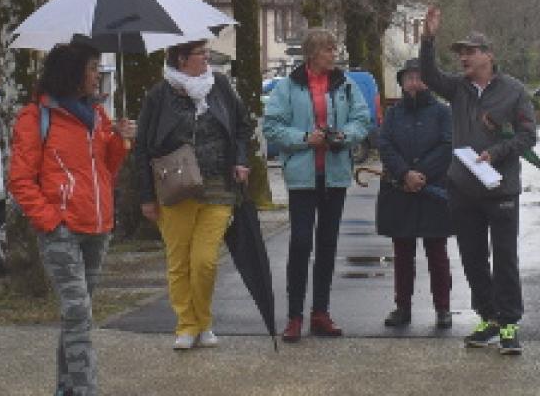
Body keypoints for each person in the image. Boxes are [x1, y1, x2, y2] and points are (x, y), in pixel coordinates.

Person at [7, 42, 136, 396]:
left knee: (76, 314)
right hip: (61, 230)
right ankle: (84, 389)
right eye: (92, 68)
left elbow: (105, 171)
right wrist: (51, 221)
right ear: (73, 73)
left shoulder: (97, 116)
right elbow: (20, 180)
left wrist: (120, 143)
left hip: (97, 227)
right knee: (79, 312)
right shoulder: (36, 117)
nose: (97, 75)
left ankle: (66, 387)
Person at [419, 5, 536, 356]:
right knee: (471, 257)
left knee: (504, 258)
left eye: (469, 52)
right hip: (462, 188)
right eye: (460, 53)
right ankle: (488, 318)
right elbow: (428, 72)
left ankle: (510, 324)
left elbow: (528, 137)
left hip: (501, 188)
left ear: (489, 56)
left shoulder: (514, 90)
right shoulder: (458, 89)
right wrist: (428, 38)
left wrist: (497, 152)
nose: (463, 58)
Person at [135, 39, 253, 351]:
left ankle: (204, 321)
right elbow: (142, 149)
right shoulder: (158, 96)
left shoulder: (221, 86)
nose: (207, 58)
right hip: (175, 188)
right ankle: (187, 325)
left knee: (205, 261)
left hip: (217, 187)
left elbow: (242, 126)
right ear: (182, 58)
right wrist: (146, 196)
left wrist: (241, 160)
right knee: (179, 261)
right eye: (201, 54)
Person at [262, 27, 371, 342]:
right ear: (312, 54)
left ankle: (320, 312)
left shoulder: (346, 84)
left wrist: (343, 136)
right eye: (327, 50)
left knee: (327, 245)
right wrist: (304, 138)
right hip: (302, 179)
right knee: (299, 243)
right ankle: (294, 316)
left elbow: (362, 120)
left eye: (333, 49)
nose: (332, 55)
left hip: (334, 177)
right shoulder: (288, 86)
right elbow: (271, 126)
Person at [375, 58, 455, 329]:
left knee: (437, 252)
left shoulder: (443, 112)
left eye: (419, 76)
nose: (414, 82)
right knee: (402, 252)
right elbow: (384, 145)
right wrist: (404, 174)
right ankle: (402, 306)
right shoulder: (394, 113)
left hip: (433, 191)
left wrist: (421, 174)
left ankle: (443, 308)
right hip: (401, 191)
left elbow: (447, 145)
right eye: (409, 77)